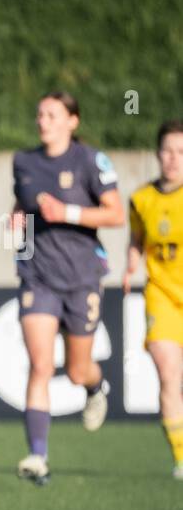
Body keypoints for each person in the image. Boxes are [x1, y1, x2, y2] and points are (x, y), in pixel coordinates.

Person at [10, 91, 124, 485]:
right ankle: (37, 456)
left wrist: (68, 213)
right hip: (37, 276)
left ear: (72, 121)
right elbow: (21, 205)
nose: (43, 121)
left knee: (76, 370)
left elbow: (115, 213)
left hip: (81, 278)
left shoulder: (90, 161)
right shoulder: (23, 161)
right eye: (40, 114)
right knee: (40, 364)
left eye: (52, 115)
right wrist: (17, 229)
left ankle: (96, 386)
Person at [123, 119, 183, 479]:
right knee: (168, 374)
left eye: (181, 151)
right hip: (161, 296)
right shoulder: (141, 199)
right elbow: (136, 237)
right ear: (157, 154)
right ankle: (181, 456)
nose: (173, 158)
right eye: (167, 150)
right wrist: (130, 264)